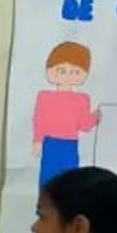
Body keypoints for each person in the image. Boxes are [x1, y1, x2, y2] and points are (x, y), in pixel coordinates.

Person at [31, 42, 101, 185]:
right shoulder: (44, 96)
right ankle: (45, 206)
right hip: (51, 143)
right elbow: (39, 119)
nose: (67, 76)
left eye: (75, 72)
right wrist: (37, 140)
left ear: (84, 74)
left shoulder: (82, 99)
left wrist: (96, 116)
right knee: (48, 177)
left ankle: (67, 206)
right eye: (61, 70)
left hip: (69, 145)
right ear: (50, 71)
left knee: (68, 179)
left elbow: (84, 125)